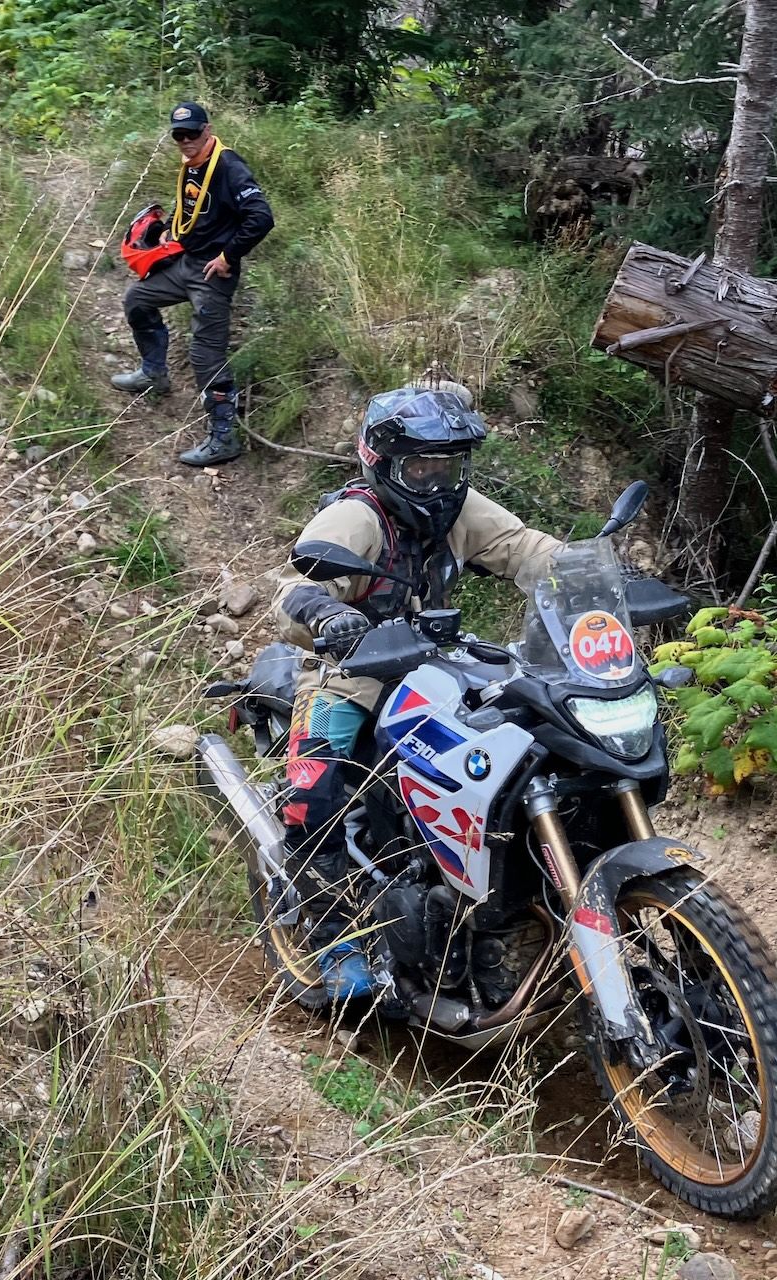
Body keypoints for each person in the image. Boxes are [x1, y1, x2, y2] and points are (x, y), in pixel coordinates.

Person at [269, 382, 561, 997]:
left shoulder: (460, 508)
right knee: (314, 790)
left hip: (436, 672)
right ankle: (327, 935)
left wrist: (591, 571)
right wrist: (327, 614)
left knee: (512, 757)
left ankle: (486, 905)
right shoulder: (356, 518)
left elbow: (526, 550)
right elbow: (293, 592)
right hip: (348, 675)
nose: (435, 479)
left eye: (448, 465)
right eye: (420, 466)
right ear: (382, 463)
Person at [112, 101, 275, 468]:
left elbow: (261, 217)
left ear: (208, 130)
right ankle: (153, 373)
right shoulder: (192, 164)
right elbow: (193, 207)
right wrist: (170, 230)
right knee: (137, 299)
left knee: (205, 355)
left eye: (192, 133)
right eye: (179, 135)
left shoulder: (228, 166)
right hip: (185, 263)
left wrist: (228, 256)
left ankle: (224, 439)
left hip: (213, 274)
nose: (186, 140)